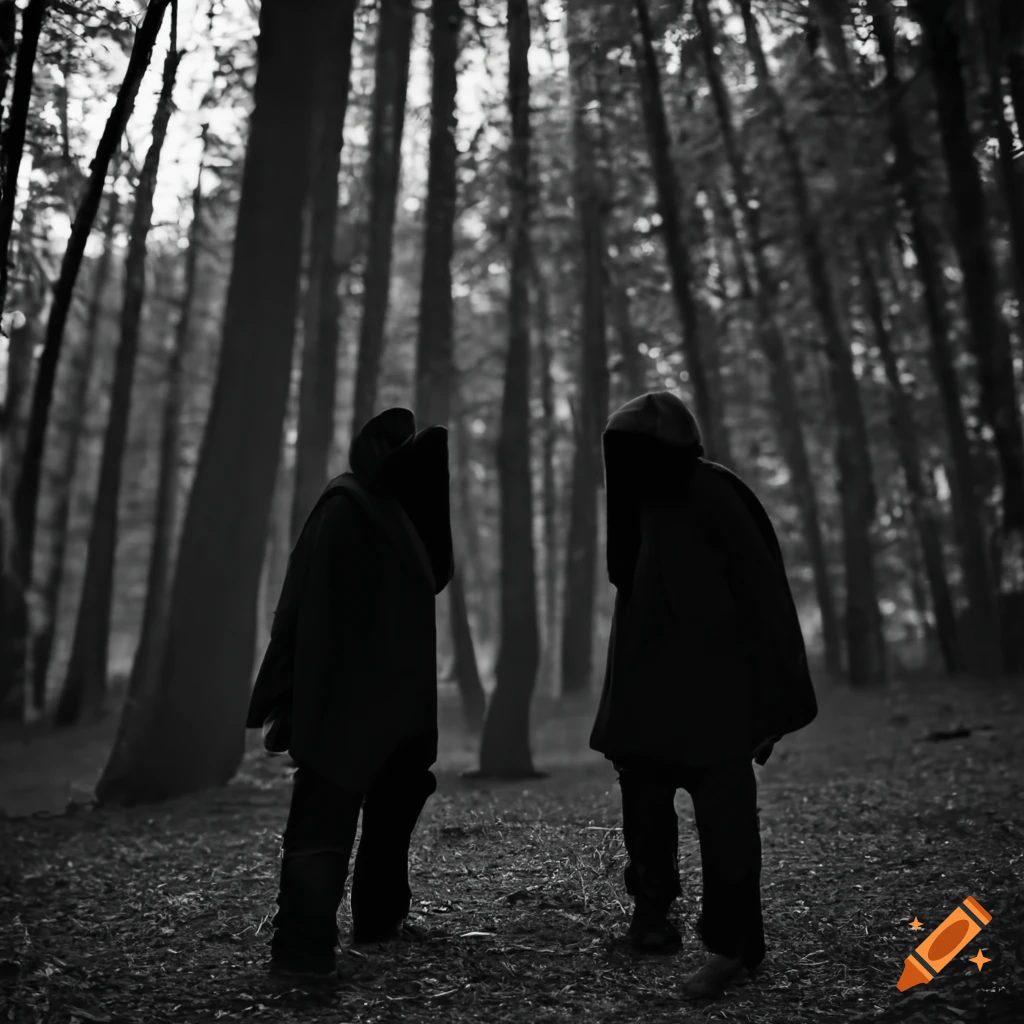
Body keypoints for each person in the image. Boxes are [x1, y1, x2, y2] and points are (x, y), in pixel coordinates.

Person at [590, 391, 818, 999]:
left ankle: (734, 945)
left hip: (715, 702)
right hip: (647, 702)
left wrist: (768, 704)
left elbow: (764, 602)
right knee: (644, 815)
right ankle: (652, 915)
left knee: (727, 829)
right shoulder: (637, 504)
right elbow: (633, 601)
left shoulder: (718, 494)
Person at [247, 407, 454, 982]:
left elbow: (420, 594)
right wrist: (291, 697)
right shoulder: (345, 506)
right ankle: (302, 954)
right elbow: (306, 608)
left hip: (395, 704)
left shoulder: (392, 513)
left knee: (393, 808)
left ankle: (378, 923)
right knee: (323, 821)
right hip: (340, 700)